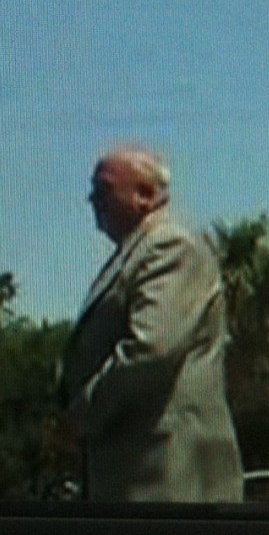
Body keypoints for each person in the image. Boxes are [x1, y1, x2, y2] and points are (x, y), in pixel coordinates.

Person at [57, 148, 243, 502]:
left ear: (145, 195)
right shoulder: (135, 251)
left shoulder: (170, 247)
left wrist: (81, 416)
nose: (92, 200)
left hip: (165, 477)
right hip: (137, 476)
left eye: (104, 189)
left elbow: (150, 349)